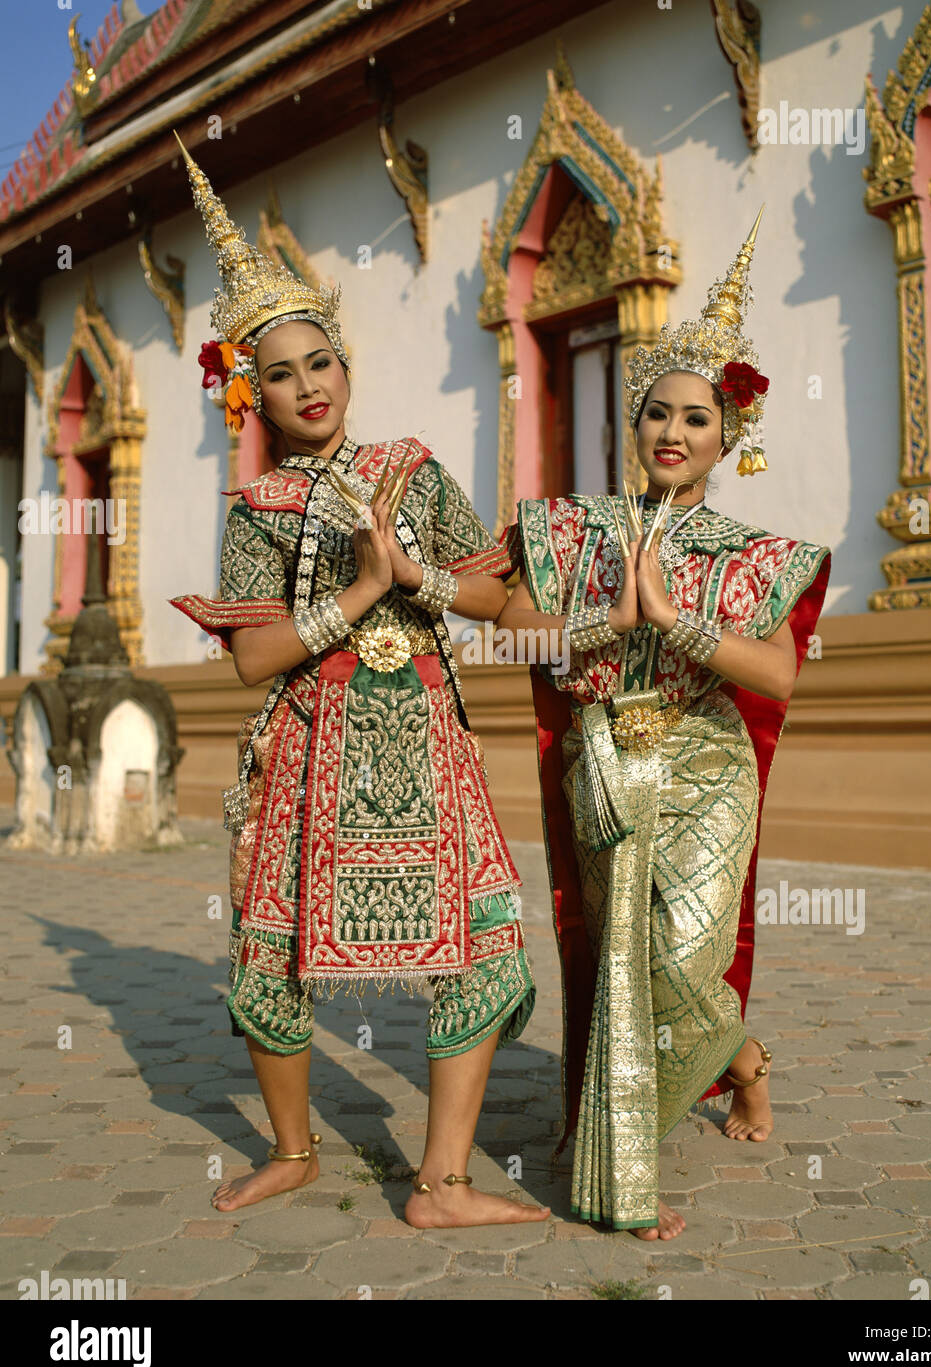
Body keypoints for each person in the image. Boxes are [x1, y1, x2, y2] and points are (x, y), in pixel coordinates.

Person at [168, 135, 546, 1228]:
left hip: (425, 732)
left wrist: (415, 572)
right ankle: (292, 1149)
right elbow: (251, 659)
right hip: (309, 739)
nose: (306, 387)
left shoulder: (412, 471)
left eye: (318, 363)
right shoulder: (255, 512)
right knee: (269, 955)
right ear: (253, 394)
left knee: (478, 946)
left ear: (345, 363)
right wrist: (356, 590)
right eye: (278, 374)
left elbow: (507, 601)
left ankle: (441, 1181)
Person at [493, 210, 830, 1239]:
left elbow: (778, 673)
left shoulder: (752, 550)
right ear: (630, 428)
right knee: (625, 963)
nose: (673, 432)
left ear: (729, 437)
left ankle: (742, 1063)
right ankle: (627, 1178)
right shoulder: (572, 529)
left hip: (705, 756)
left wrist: (678, 624)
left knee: (687, 953)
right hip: (603, 753)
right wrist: (609, 615)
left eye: (695, 417)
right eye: (655, 414)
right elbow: (509, 637)